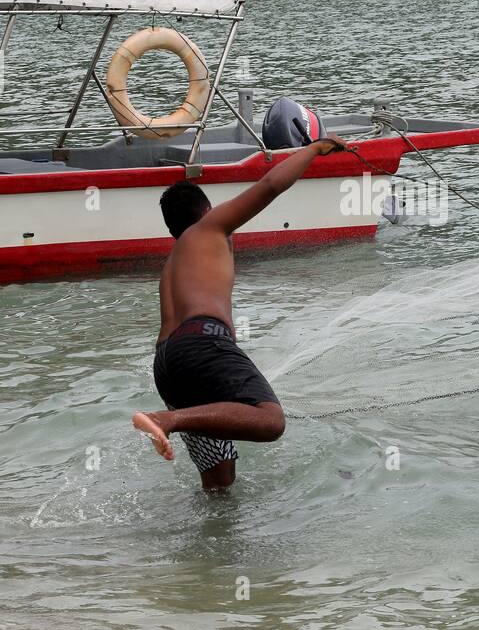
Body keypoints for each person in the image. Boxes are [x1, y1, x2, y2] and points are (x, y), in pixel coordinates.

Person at [132, 135, 350, 488]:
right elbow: (269, 186)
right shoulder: (209, 228)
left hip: (168, 364)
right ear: (206, 211)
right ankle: (166, 420)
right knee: (271, 420)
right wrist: (313, 149)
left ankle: (212, 537)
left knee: (219, 481)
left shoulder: (173, 262)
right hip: (201, 344)